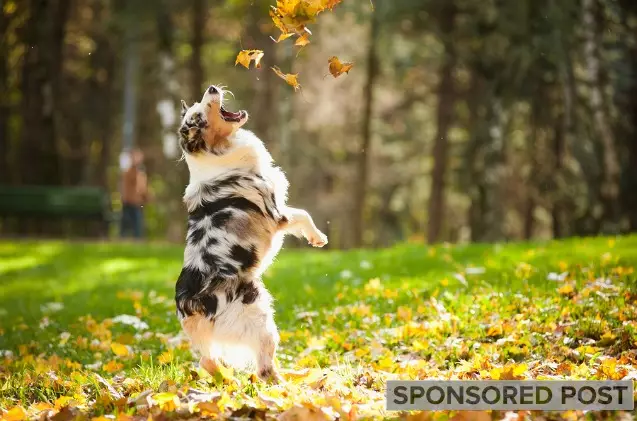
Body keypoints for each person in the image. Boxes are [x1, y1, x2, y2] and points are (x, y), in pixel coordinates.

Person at [120, 148, 150, 239]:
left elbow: (142, 188)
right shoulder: (129, 171)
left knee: (137, 225)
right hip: (128, 202)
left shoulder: (140, 171)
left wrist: (146, 196)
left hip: (137, 203)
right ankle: (123, 239)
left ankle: (137, 240)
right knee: (126, 224)